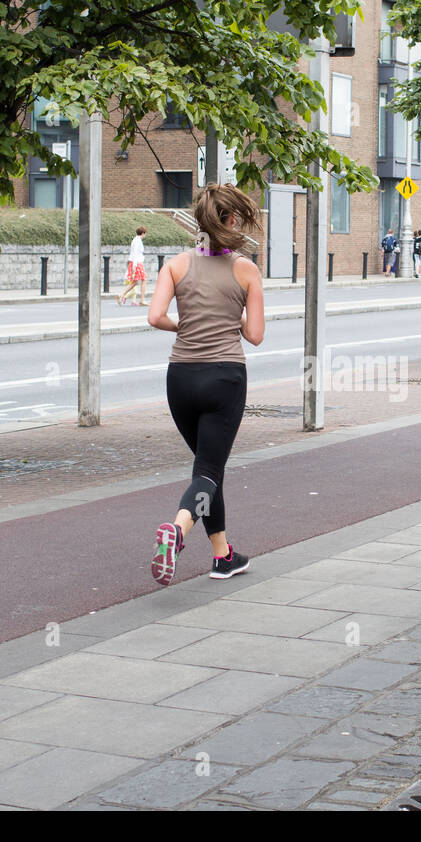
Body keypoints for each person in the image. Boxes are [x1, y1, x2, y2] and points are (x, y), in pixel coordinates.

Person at [146, 184, 264, 585]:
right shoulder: (246, 270)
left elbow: (155, 316)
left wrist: (186, 324)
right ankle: (177, 530)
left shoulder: (176, 265)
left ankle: (223, 555)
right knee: (209, 472)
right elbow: (255, 335)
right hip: (224, 378)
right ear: (231, 221)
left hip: (180, 378)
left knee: (208, 469)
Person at [119, 225, 148, 306]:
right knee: (144, 279)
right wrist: (135, 266)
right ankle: (142, 300)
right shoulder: (137, 241)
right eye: (145, 233)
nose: (145, 235)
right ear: (143, 233)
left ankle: (121, 296)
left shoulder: (136, 240)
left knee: (135, 282)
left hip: (136, 263)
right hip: (137, 263)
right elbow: (135, 253)